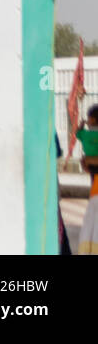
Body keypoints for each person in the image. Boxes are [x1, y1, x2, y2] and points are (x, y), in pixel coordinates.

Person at [74, 105, 98, 254]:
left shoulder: (86, 135)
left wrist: (81, 125)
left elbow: (77, 134)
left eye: (88, 117)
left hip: (93, 168)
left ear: (93, 119)